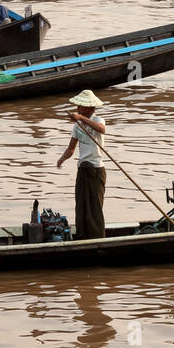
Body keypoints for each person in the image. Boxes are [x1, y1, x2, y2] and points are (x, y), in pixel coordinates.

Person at [56, 90, 108, 239]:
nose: (78, 108)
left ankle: (98, 238)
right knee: (81, 205)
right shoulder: (77, 126)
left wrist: (81, 119)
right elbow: (71, 148)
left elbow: (101, 129)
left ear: (89, 108)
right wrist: (61, 159)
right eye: (78, 106)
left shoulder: (98, 119)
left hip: (96, 170)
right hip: (83, 169)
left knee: (95, 207)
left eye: (81, 106)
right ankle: (83, 236)